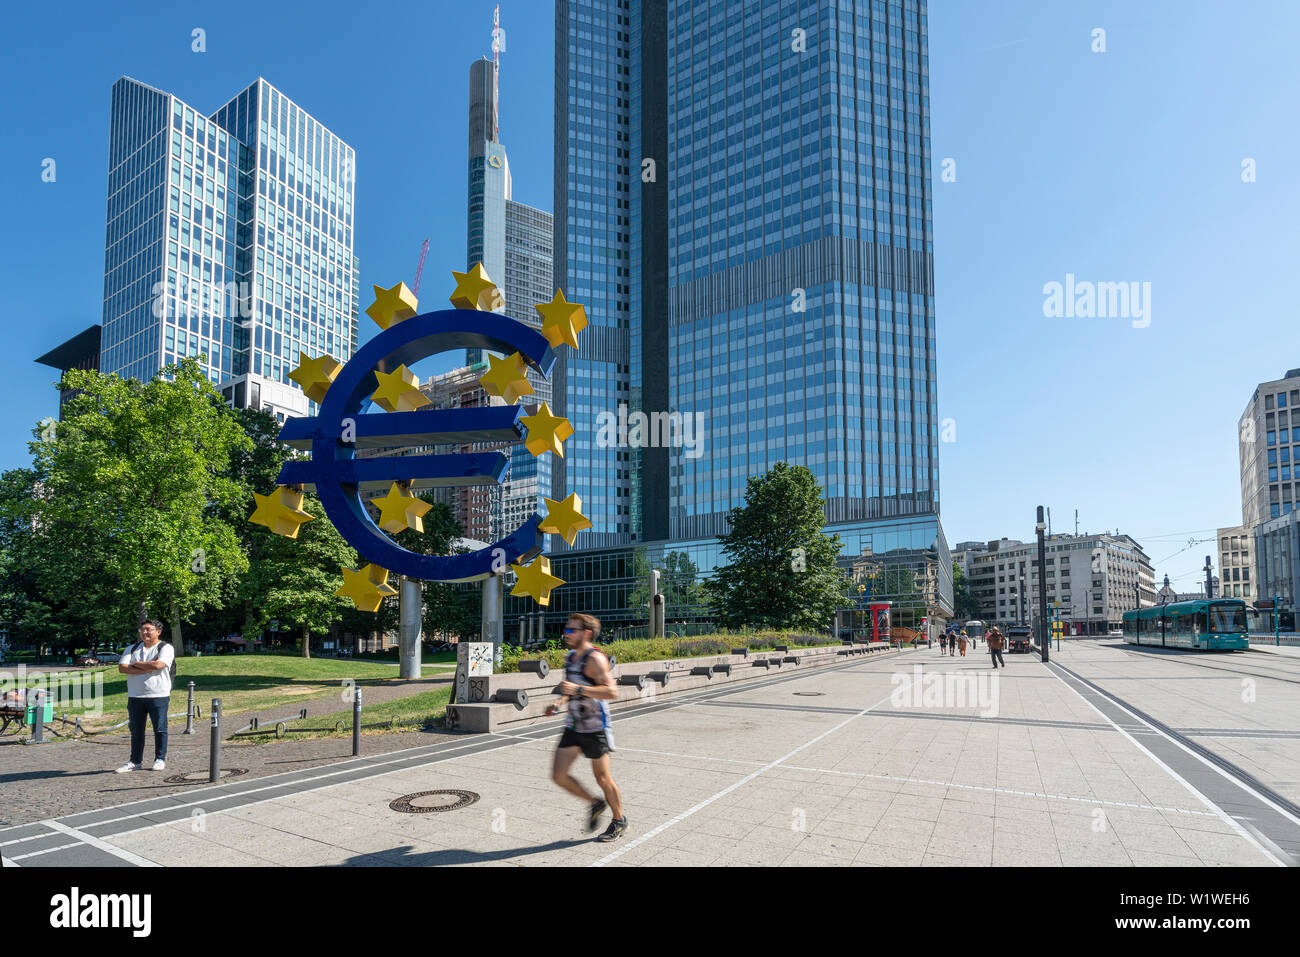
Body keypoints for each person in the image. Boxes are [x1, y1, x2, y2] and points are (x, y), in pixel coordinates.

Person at [544, 613, 627, 842]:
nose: (566, 634)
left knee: (602, 778)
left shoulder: (595, 659)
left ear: (586, 633)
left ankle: (619, 820)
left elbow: (612, 692)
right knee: (558, 775)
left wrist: (579, 690)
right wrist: (558, 703)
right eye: (566, 629)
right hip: (573, 726)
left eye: (572, 630)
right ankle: (595, 803)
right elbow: (570, 690)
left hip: (595, 728)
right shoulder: (571, 658)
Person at [115, 620, 175, 772]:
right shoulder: (132, 648)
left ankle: (160, 758)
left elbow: (158, 665)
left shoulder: (165, 647)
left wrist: (136, 664)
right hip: (135, 695)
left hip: (158, 694)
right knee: (136, 730)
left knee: (160, 728)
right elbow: (122, 668)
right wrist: (147, 667)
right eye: (142, 630)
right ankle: (135, 761)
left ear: (158, 632)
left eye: (149, 629)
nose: (145, 633)